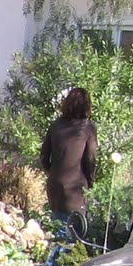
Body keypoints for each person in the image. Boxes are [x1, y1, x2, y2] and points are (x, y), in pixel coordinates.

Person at [40, 86, 98, 225]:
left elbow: (43, 156)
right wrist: (91, 182)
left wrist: (52, 172)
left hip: (55, 184)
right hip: (75, 188)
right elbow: (90, 160)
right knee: (74, 233)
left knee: (57, 228)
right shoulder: (87, 128)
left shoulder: (56, 126)